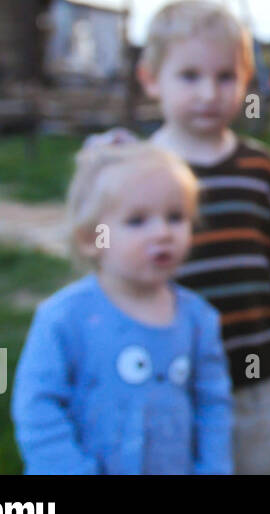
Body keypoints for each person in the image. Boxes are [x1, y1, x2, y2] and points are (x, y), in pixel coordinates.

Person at [135, 0, 270, 475]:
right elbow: (114, 273)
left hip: (253, 373)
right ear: (151, 79)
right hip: (169, 373)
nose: (209, 93)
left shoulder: (260, 169)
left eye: (225, 77)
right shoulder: (139, 173)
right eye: (189, 76)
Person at [12, 142, 234, 474]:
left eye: (176, 217)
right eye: (137, 220)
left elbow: (213, 405)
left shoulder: (198, 318)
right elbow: (38, 407)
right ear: (92, 238)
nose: (162, 233)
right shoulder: (65, 318)